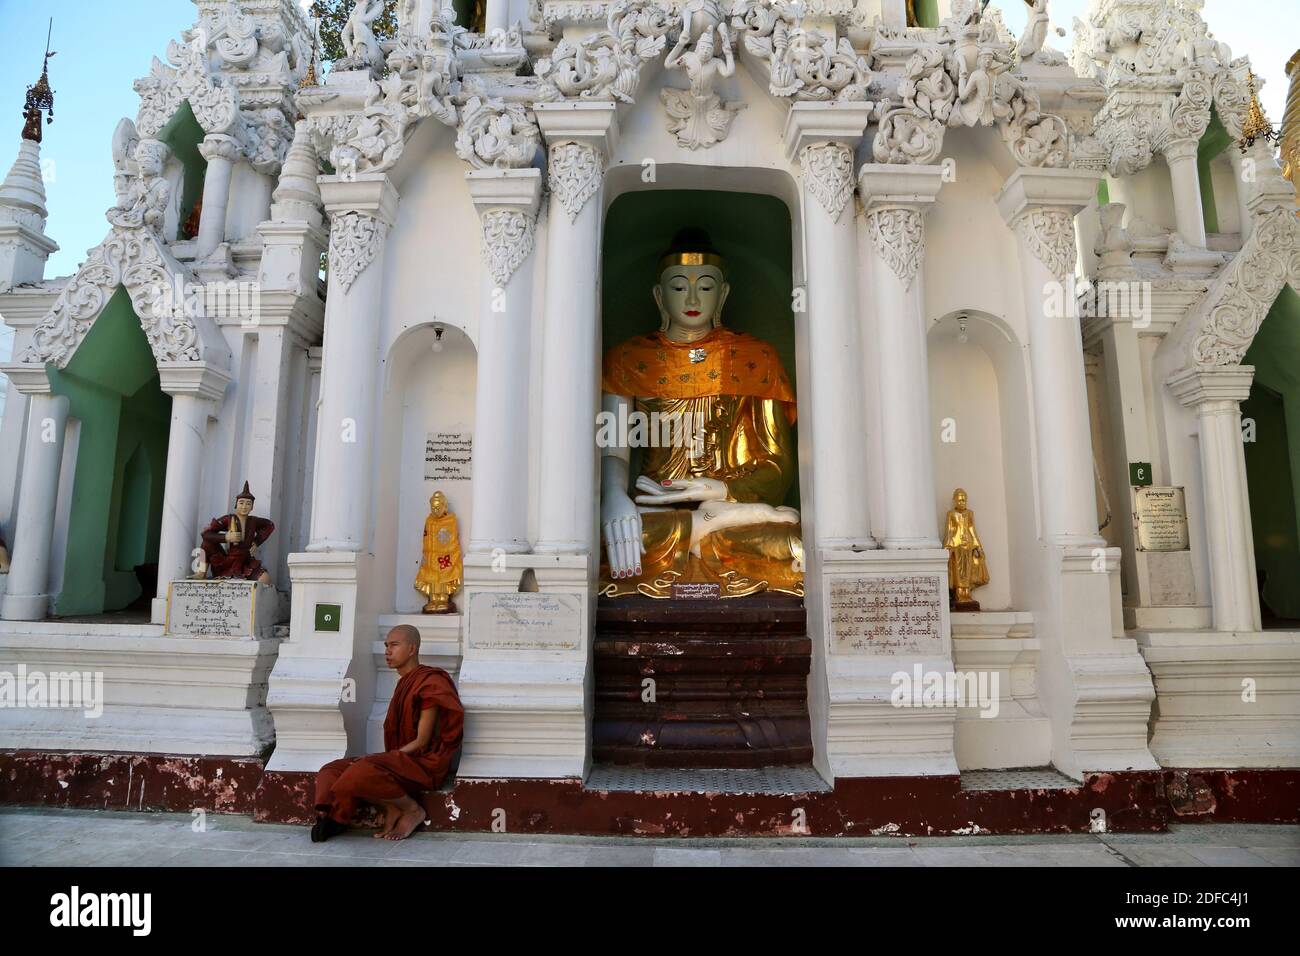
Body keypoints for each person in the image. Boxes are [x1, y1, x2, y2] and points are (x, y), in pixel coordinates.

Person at [312, 625, 464, 841]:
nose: (387, 651)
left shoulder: (430, 682)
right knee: (331, 770)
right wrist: (385, 759)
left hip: (423, 765)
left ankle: (412, 809)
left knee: (361, 770)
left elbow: (421, 741)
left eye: (394, 645)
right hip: (399, 762)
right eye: (385, 646)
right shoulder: (404, 683)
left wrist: (386, 758)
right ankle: (337, 818)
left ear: (412, 649)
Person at [197, 481, 274, 584]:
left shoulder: (253, 521)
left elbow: (270, 525)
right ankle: (202, 572)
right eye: (241, 503)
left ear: (252, 507)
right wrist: (226, 537)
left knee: (265, 580)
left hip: (246, 561)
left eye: (248, 504)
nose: (244, 506)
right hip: (227, 561)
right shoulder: (228, 519)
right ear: (236, 504)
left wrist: (256, 541)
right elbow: (205, 534)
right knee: (206, 543)